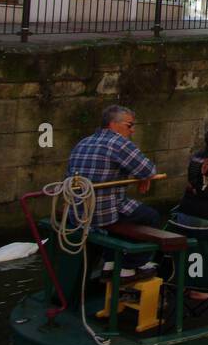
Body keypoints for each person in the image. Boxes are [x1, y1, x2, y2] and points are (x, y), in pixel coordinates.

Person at [67, 105, 159, 272]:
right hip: (101, 213)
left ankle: (110, 262)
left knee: (124, 214)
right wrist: (143, 176)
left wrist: (139, 175)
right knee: (150, 216)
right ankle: (131, 266)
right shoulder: (118, 143)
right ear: (113, 124)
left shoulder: (83, 142)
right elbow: (149, 170)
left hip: (78, 212)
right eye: (129, 125)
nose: (132, 131)